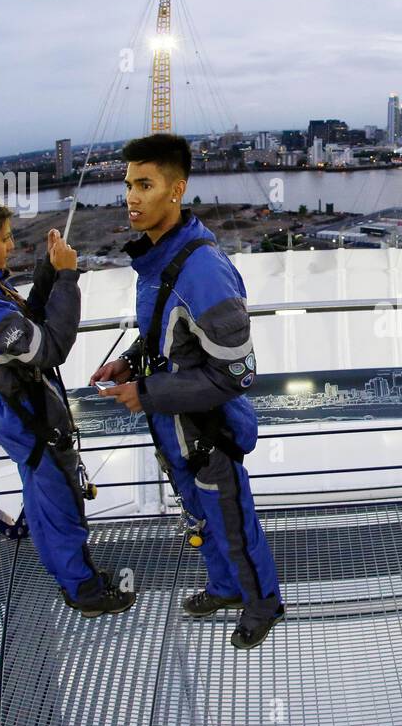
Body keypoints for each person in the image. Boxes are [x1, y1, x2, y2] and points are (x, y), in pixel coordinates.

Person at [92, 133, 284, 650]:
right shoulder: (156, 259)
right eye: (129, 184)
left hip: (206, 434)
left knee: (234, 526)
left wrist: (147, 393)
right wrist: (131, 361)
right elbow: (167, 332)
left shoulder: (203, 272)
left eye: (146, 185)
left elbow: (237, 374)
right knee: (204, 519)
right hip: (175, 433)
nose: (131, 197)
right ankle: (224, 588)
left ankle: (263, 604)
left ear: (176, 190)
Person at [0, 194, 135, 616]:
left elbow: (30, 325)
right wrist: (66, 278)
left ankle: (74, 579)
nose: (10, 246)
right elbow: (48, 347)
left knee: (46, 499)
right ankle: (85, 592)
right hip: (29, 417)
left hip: (25, 412)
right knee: (59, 502)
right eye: (4, 238)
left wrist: (48, 270)